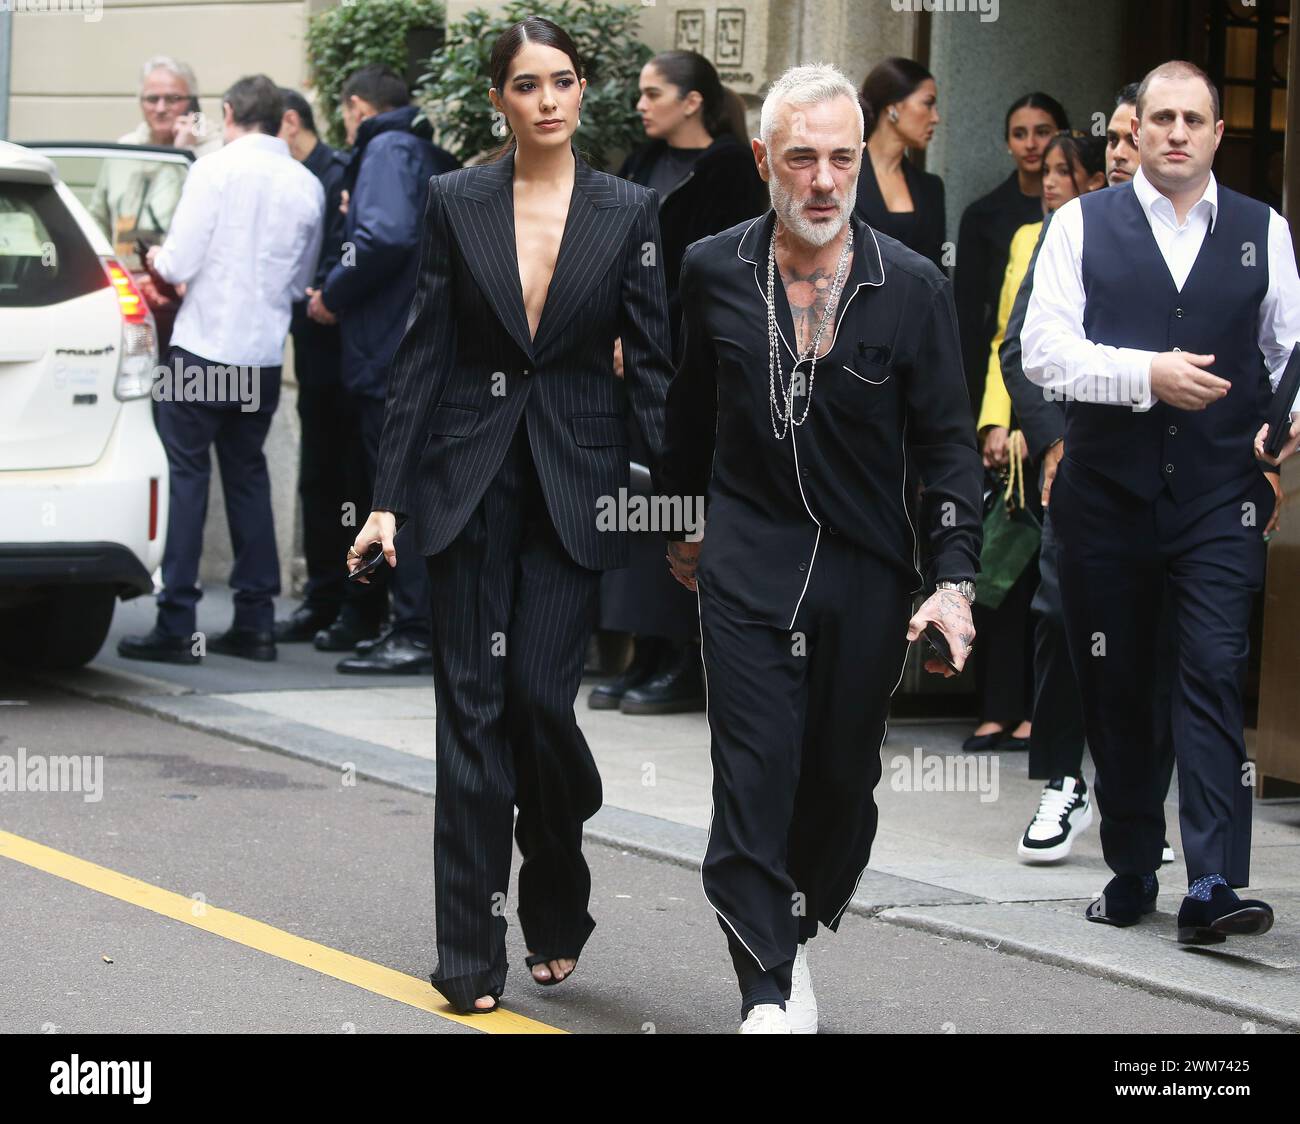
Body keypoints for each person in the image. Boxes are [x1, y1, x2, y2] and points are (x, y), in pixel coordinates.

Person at [347, 17, 674, 1014]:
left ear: (582, 93)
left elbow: (657, 374)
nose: (546, 99)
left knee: (539, 701)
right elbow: (422, 356)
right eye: (525, 83)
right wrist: (385, 502)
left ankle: (559, 875)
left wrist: (678, 508)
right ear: (498, 97)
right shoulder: (457, 201)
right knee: (472, 721)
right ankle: (468, 954)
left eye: (562, 81)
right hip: (466, 480)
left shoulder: (628, 211)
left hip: (573, 486)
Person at [660, 64, 982, 1032]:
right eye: (801, 156)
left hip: (864, 569)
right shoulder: (712, 266)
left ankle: (792, 921)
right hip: (749, 556)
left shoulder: (913, 285)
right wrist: (679, 519)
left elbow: (945, 444)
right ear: (764, 160)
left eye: (842, 157)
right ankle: (766, 977)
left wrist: (954, 578)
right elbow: (686, 411)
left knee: (840, 777)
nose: (823, 179)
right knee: (753, 767)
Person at [1023, 61, 1300, 943]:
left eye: (1195, 119)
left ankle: (1213, 880)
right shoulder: (1078, 224)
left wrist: (1285, 429)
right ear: (1135, 131)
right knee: (1119, 684)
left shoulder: (1264, 231)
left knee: (1214, 669)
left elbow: (1289, 351)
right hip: (1105, 497)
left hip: (1220, 497)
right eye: (1162, 117)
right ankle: (1135, 864)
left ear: (1219, 134)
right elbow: (1043, 353)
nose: (1177, 132)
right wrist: (1147, 374)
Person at [118, 77, 324, 665]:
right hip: (260, 355)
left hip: (202, 347)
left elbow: (179, 261)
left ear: (229, 113)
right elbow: (296, 281)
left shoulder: (212, 171)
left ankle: (177, 624)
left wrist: (156, 257)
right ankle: (256, 623)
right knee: (247, 479)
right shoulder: (306, 185)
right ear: (282, 118)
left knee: (187, 478)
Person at [590, 50, 767, 715]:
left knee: (683, 501)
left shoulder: (725, 171)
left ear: (693, 101)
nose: (641, 104)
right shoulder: (641, 164)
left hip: (686, 367)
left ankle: (684, 659)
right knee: (641, 504)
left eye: (653, 92)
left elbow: (710, 280)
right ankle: (648, 648)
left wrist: (645, 339)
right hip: (627, 364)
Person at [310, 65, 459, 673]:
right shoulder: (422, 148)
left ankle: (415, 631)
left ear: (355, 108)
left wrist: (332, 294)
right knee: (406, 490)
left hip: (389, 349)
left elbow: (383, 237)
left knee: (397, 493)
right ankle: (409, 625)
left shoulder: (386, 148)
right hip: (411, 345)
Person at [967, 132, 1106, 757]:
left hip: (1064, 429)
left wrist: (1038, 424)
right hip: (1019, 417)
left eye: (1063, 172)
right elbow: (1009, 334)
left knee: (1053, 584)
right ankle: (999, 707)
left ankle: (1045, 719)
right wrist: (998, 420)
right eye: (1045, 171)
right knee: (1005, 568)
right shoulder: (1029, 236)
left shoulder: (1096, 232)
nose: (1049, 182)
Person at [273, 89, 375, 644]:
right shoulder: (295, 175)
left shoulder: (338, 171)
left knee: (355, 485)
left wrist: (327, 290)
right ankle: (323, 596)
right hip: (313, 350)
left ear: (290, 122)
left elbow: (353, 249)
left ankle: (359, 604)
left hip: (348, 349)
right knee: (318, 480)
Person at [954, 93, 1069, 414]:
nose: (1031, 143)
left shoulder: (1081, 212)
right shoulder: (982, 214)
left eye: (1042, 132)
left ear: (1061, 135)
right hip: (999, 369)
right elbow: (969, 314)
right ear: (1007, 143)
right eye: (1019, 134)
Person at [89, 56, 222, 252]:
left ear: (192, 103)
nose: (160, 109)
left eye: (172, 99)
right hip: (127, 274)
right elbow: (98, 219)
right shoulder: (125, 150)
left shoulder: (214, 152)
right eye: (152, 99)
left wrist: (184, 153)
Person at [853, 57, 945, 269]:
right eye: (928, 103)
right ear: (893, 107)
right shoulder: (842, 176)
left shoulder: (931, 188)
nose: (936, 118)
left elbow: (938, 273)